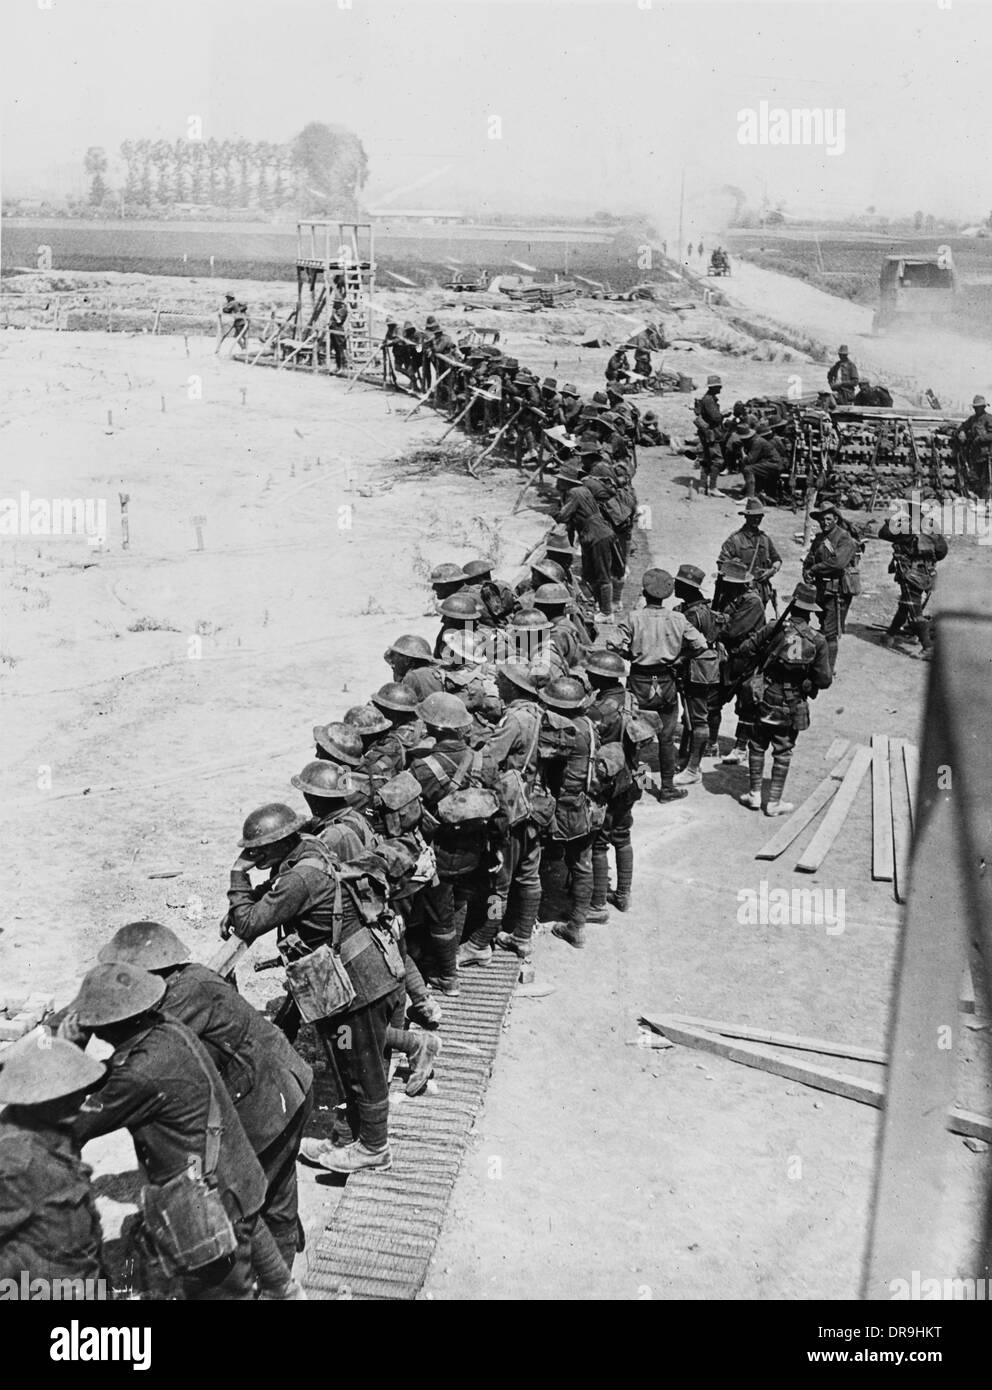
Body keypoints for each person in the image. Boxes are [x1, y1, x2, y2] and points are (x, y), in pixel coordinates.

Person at [96, 922, 313, 1296]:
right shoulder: (190, 979)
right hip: (285, 1088)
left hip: (268, 1106)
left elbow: (135, 1066)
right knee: (274, 1196)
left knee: (244, 1206)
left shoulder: (180, 998)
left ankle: (277, 1285)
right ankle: (283, 1281)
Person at [222, 803, 406, 1175]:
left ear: (279, 844)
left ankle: (374, 1148)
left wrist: (238, 877)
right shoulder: (309, 850)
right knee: (345, 1058)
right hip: (351, 981)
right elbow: (276, 892)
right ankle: (347, 1137)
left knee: (362, 1065)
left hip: (359, 985)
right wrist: (256, 896)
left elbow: (248, 924)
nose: (251, 856)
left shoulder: (299, 879)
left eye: (257, 851)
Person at [66, 963, 267, 1299]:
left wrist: (68, 1056)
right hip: (234, 1179)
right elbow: (119, 1071)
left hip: (211, 1205)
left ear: (103, 1029)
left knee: (222, 1292)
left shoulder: (139, 1075)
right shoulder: (167, 1028)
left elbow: (75, 1127)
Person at [0, 1034, 108, 1289]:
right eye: (61, 1093)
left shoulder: (53, 1124)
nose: (79, 1099)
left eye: (76, 1088)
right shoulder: (16, 1161)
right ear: (32, 1097)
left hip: (83, 1272)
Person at [735, 583, 833, 816]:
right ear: (810, 611)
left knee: (757, 744)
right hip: (793, 700)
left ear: (793, 606)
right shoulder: (817, 640)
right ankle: (775, 801)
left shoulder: (774, 628)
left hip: (765, 694)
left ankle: (755, 794)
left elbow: (746, 648)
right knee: (784, 749)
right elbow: (825, 679)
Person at [611, 568, 708, 801]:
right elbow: (701, 645)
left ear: (645, 592)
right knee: (666, 738)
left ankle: (639, 783)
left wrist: (629, 654)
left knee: (635, 736)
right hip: (666, 682)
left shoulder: (634, 617)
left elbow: (613, 645)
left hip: (639, 681)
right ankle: (666, 788)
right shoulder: (677, 619)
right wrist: (679, 659)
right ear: (668, 593)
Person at [537, 677, 599, 950]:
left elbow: (543, 756)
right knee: (582, 863)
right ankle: (577, 924)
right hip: (584, 804)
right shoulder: (587, 724)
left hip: (561, 805)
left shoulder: (566, 731)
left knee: (531, 861)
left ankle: (526, 923)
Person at [711, 559, 767, 764]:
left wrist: (712, 624)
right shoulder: (730, 595)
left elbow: (732, 630)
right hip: (729, 658)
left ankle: (741, 746)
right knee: (713, 699)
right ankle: (711, 742)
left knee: (746, 703)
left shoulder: (752, 601)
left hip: (746, 659)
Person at [672, 564, 722, 786]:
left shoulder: (692, 614)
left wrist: (678, 660)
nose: (674, 586)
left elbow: (689, 644)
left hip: (697, 669)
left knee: (698, 719)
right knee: (691, 717)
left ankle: (693, 768)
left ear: (686, 587)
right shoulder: (698, 607)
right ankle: (686, 758)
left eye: (678, 584)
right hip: (702, 667)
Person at [876, 502, 948, 659]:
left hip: (910, 573)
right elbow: (942, 552)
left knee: (914, 611)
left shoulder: (905, 527)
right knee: (906, 605)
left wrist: (894, 519)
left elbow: (882, 533)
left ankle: (927, 646)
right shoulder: (932, 527)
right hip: (927, 573)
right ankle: (889, 636)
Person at [556, 463, 618, 622]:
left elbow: (563, 516)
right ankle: (599, 605)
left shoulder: (574, 493)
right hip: (594, 535)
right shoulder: (580, 491)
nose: (557, 483)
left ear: (566, 481)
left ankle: (606, 612)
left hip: (597, 535)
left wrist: (554, 512)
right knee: (590, 574)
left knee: (602, 574)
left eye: (560, 480)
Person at [802, 503, 860, 672]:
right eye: (821, 519)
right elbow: (810, 558)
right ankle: (820, 662)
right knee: (822, 625)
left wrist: (814, 569)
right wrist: (806, 571)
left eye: (828, 519)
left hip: (837, 591)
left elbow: (838, 563)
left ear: (835, 519)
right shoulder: (820, 538)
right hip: (820, 589)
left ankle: (828, 669)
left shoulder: (844, 538)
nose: (824, 522)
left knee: (830, 631)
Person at [717, 499, 782, 613]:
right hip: (739, 594)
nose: (757, 519)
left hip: (761, 591)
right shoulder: (735, 540)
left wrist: (772, 570)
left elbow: (777, 559)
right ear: (746, 517)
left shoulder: (765, 539)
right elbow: (721, 564)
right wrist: (735, 567)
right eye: (753, 516)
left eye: (759, 516)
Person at [384, 633, 444, 702]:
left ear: (407, 660)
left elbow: (402, 706)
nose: (392, 662)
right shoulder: (434, 671)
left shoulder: (412, 677)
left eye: (394, 656)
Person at [695, 374, 728, 497]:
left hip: (707, 433)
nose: (720, 388)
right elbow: (715, 417)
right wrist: (724, 414)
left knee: (707, 459)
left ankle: (702, 485)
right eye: (718, 386)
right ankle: (713, 487)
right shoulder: (709, 400)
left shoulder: (708, 398)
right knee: (718, 460)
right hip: (711, 433)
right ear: (713, 387)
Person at [742, 425, 788, 502]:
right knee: (754, 468)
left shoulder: (760, 442)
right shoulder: (769, 440)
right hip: (776, 463)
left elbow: (749, 460)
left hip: (775, 464)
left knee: (748, 469)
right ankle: (754, 493)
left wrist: (742, 452)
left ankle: (749, 497)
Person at [957, 395, 992, 496]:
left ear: (984, 407)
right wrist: (962, 432)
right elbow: (963, 426)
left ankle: (987, 504)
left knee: (987, 481)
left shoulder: (989, 419)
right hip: (975, 456)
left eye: (979, 407)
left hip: (987, 455)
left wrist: (980, 439)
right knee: (975, 480)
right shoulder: (972, 419)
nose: (976, 409)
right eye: (975, 407)